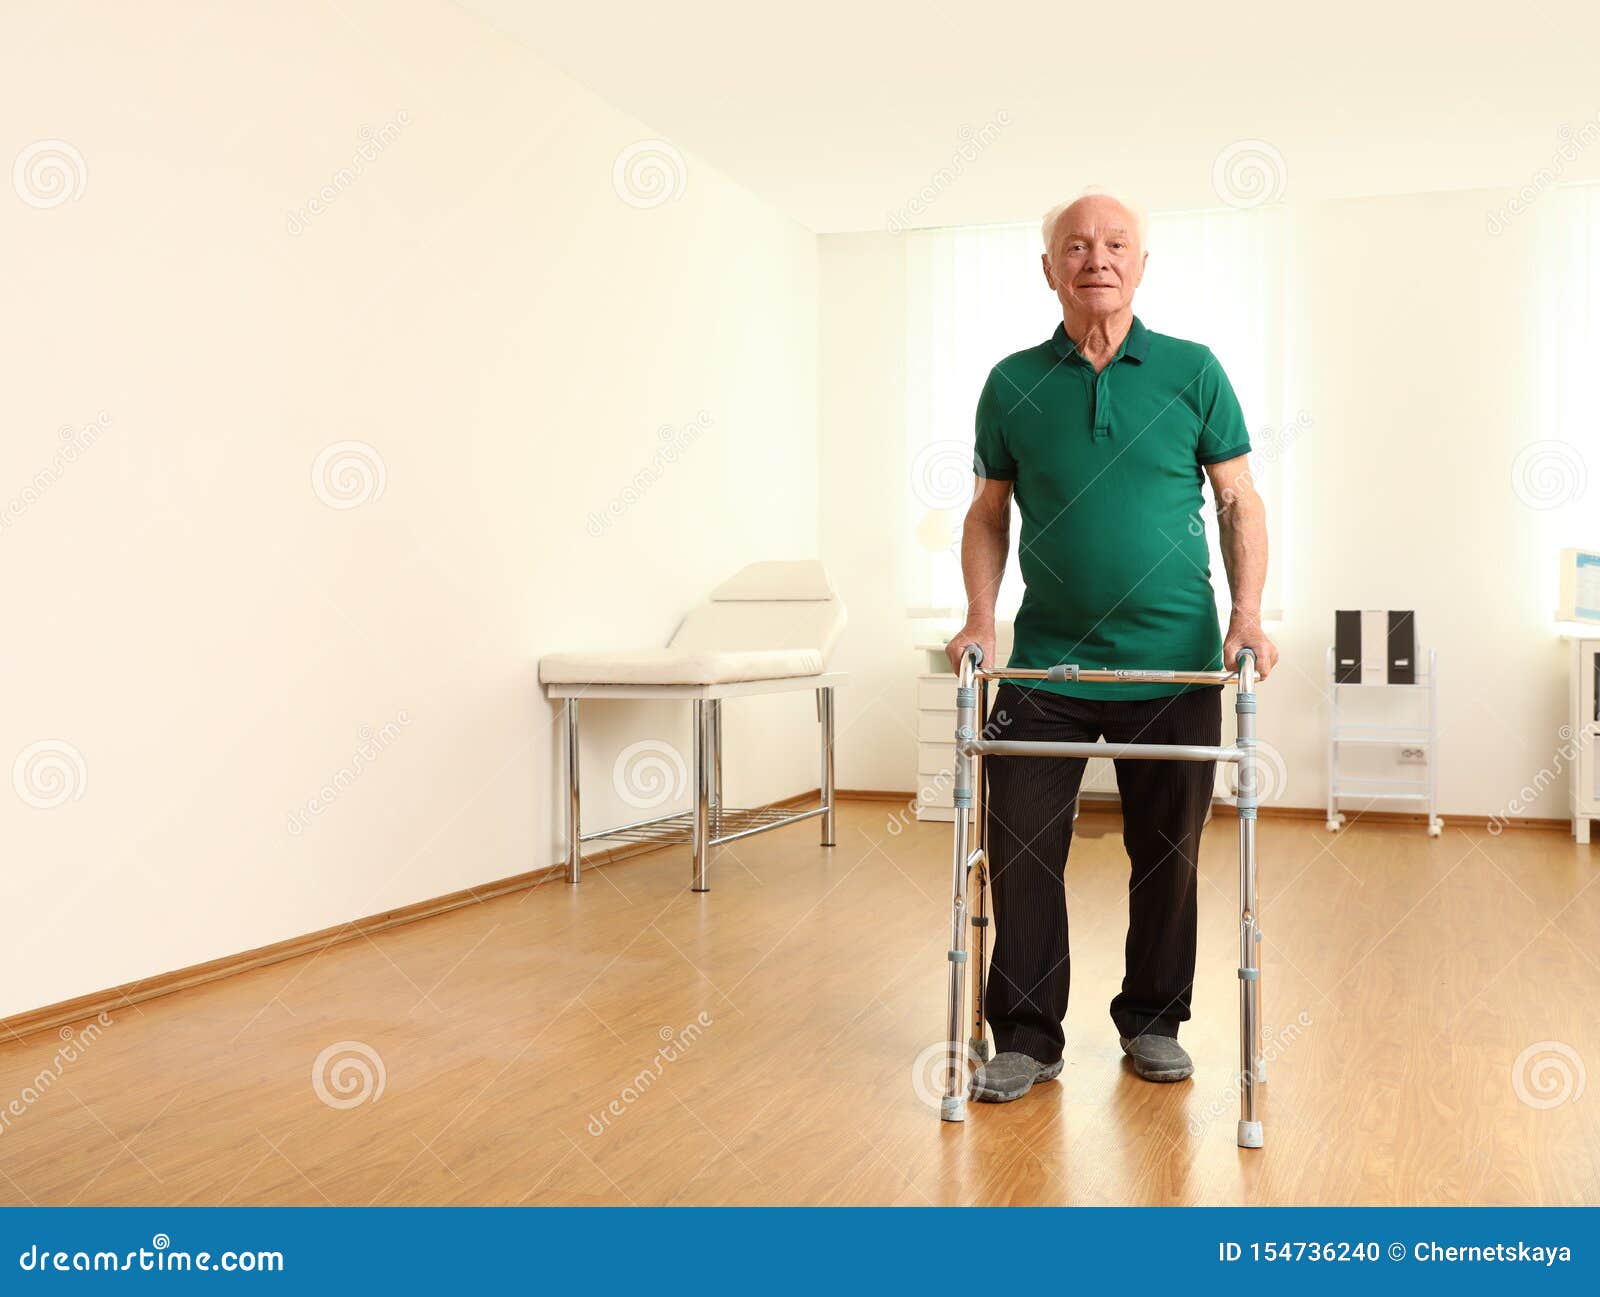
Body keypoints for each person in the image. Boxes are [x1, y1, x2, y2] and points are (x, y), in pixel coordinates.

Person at [945, 189, 1279, 1103]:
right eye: (1077, 245)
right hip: (1046, 662)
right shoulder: (1011, 382)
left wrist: (1247, 613)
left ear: (1141, 264)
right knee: (1017, 846)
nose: (1097, 257)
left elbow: (1238, 500)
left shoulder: (1192, 369)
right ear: (1049, 268)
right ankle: (1024, 1034)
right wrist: (981, 616)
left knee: (1167, 854)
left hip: (1173, 660)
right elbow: (987, 512)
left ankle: (1154, 1021)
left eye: (1116, 243)